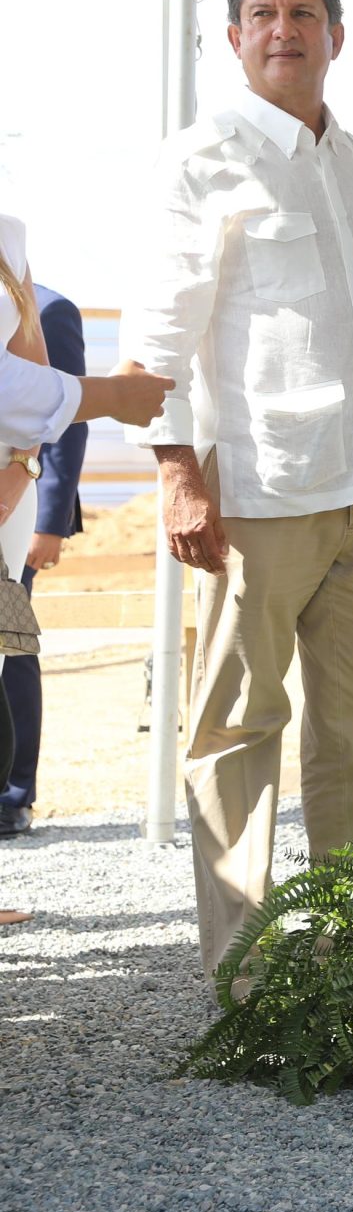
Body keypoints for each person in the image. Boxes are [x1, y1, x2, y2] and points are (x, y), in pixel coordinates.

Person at [121, 0, 353, 981]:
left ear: (335, 36)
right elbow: (161, 326)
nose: (282, 29)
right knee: (236, 731)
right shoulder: (202, 158)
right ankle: (249, 984)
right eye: (260, 15)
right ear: (234, 41)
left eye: (302, 13)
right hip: (256, 494)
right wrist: (177, 472)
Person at [0, 276, 89, 837]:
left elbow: (67, 422)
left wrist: (50, 522)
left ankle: (13, 793)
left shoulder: (52, 310)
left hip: (20, 510)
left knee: (12, 645)